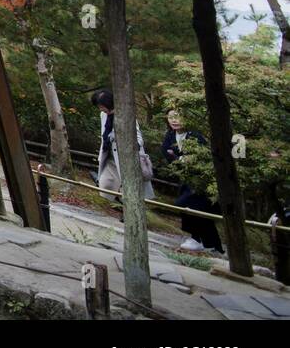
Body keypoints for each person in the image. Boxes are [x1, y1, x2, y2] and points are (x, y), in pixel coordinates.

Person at [161, 110, 224, 253]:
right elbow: (165, 151)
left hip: (201, 180)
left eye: (178, 116)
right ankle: (206, 243)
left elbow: (201, 158)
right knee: (194, 211)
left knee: (189, 206)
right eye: (171, 117)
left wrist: (179, 158)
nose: (174, 120)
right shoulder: (171, 135)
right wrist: (179, 160)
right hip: (185, 179)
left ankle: (201, 241)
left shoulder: (195, 136)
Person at [90, 89, 155, 204]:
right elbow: (104, 135)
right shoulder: (103, 115)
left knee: (129, 189)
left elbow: (138, 138)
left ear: (109, 104)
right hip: (110, 156)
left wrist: (129, 145)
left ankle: (129, 211)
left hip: (126, 158)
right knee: (105, 184)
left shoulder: (125, 114)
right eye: (99, 106)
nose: (100, 109)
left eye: (101, 106)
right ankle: (120, 202)